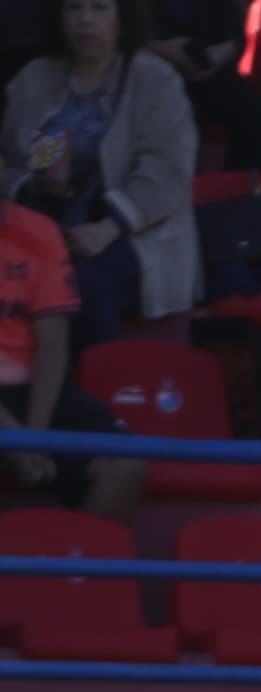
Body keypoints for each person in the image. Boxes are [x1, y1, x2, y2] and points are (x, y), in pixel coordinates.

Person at [7, 0, 202, 353]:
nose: (85, 20)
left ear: (122, 21)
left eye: (100, 9)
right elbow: (10, 161)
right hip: (46, 226)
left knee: (78, 285)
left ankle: (97, 396)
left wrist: (107, 228)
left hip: (134, 232)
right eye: (73, 9)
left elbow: (167, 173)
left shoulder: (155, 79)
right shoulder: (34, 78)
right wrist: (38, 184)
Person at [1, 154, 138, 520]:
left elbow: (53, 345)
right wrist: (12, 436)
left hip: (31, 388)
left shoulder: (38, 232)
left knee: (123, 464)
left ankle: (81, 575)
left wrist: (35, 438)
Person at [141, 0, 261, 177]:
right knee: (180, 125)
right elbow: (120, 37)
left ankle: (237, 190)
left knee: (254, 114)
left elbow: (236, 36)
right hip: (150, 69)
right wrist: (167, 51)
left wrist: (219, 55)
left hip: (207, 65)